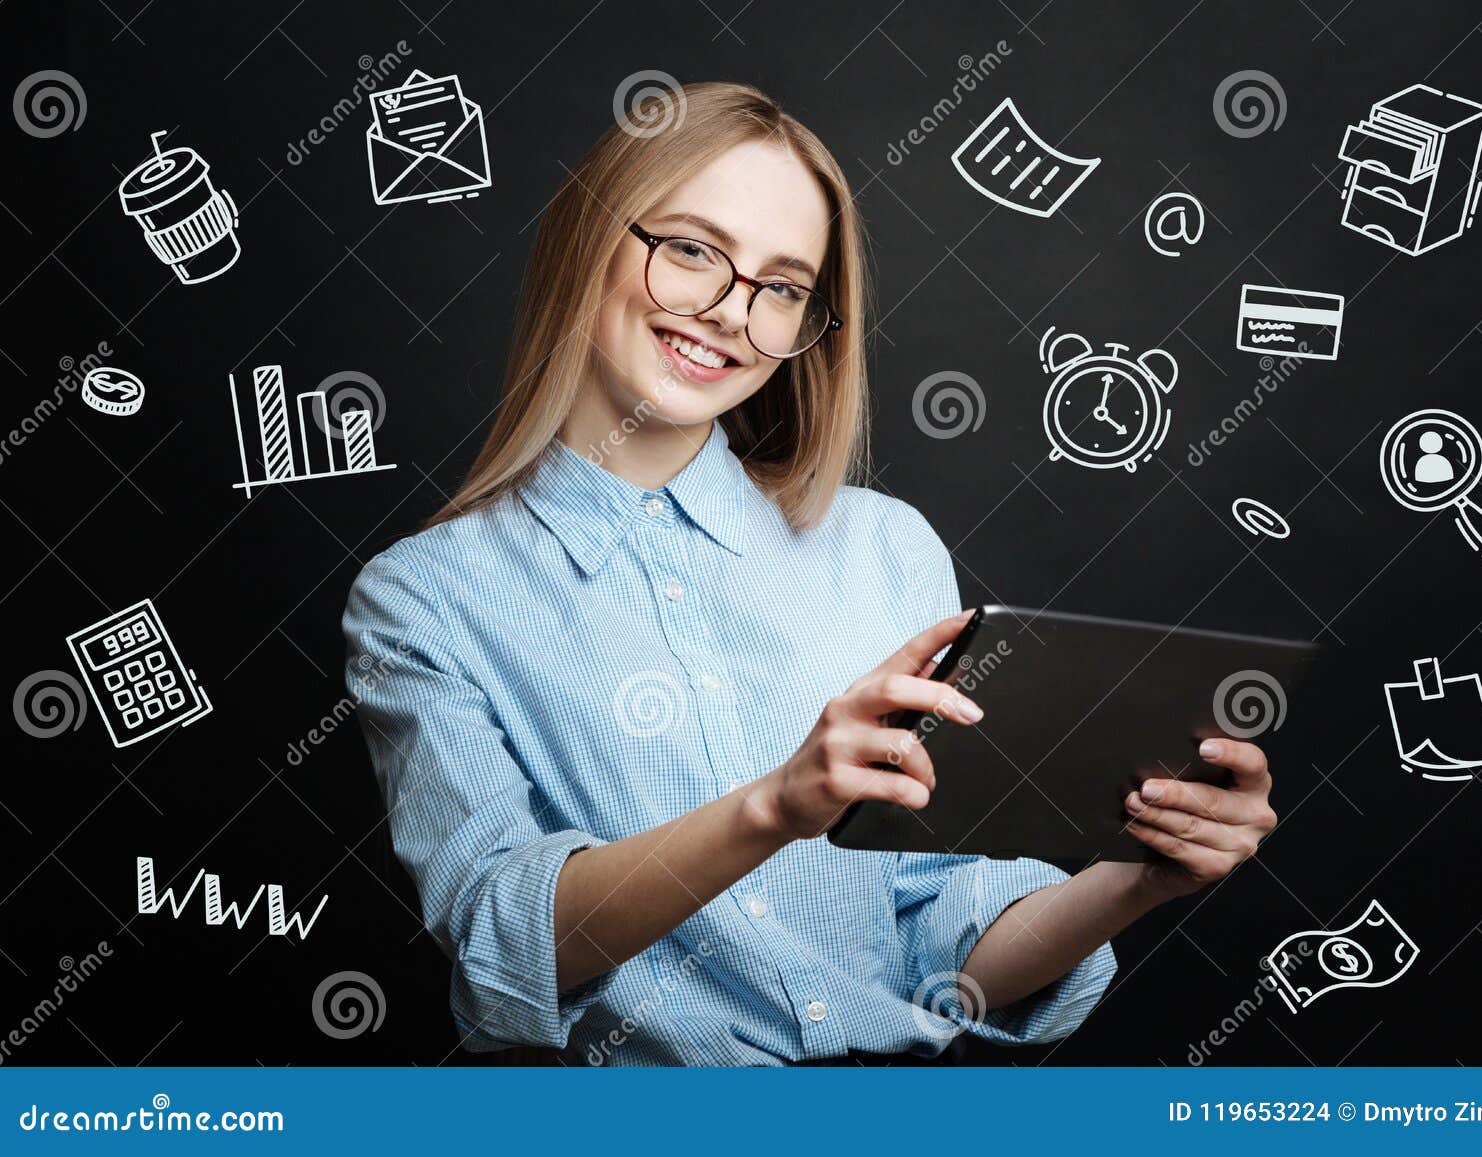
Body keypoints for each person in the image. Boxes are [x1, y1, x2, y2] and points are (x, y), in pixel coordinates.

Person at [342, 82, 1277, 1066]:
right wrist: (775, 806)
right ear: (589, 240)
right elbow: (503, 941)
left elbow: (934, 943)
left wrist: (1141, 877)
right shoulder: (424, 600)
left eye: (782, 287)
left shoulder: (886, 548)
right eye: (692, 249)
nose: (729, 313)